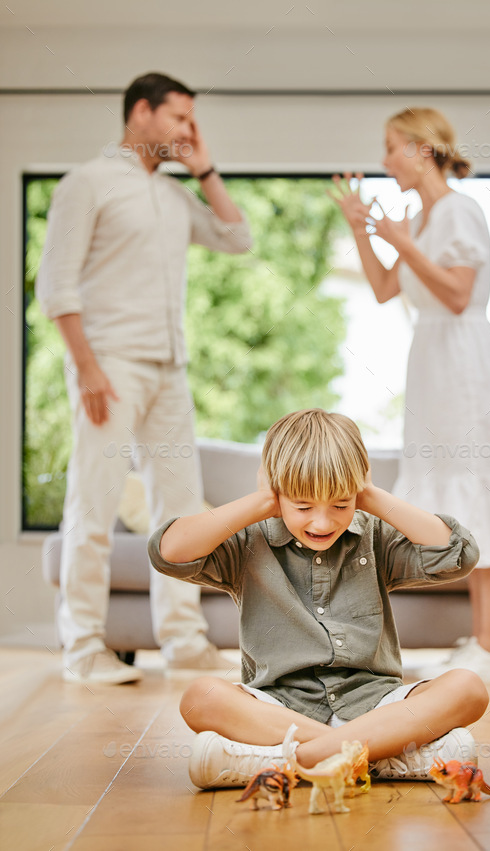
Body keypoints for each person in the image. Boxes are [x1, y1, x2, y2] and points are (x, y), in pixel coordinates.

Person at [36, 72, 252, 684]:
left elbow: (238, 238)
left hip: (170, 370)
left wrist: (205, 168)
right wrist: (87, 370)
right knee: (94, 502)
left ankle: (182, 640)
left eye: (191, 120)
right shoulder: (88, 183)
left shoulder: (176, 197)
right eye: (178, 117)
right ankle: (82, 647)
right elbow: (56, 284)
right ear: (139, 113)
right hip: (111, 366)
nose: (186, 129)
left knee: (180, 509)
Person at [148, 408, 488, 789]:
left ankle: (290, 760)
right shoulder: (250, 542)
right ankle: (381, 757)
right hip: (278, 710)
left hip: (375, 707)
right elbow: (169, 552)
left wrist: (371, 497)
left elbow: (458, 554)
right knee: (200, 697)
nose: (322, 523)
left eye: (340, 505)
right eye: (303, 507)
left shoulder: (375, 536)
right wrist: (262, 502)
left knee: (467, 687)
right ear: (277, 494)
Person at [330, 107, 490, 684]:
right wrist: (361, 229)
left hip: (470, 366)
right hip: (434, 369)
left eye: (391, 147)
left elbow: (457, 293)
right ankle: (485, 640)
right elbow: (383, 288)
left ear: (423, 150)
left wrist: (401, 239)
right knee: (456, 492)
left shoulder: (458, 209)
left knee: (485, 485)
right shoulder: (418, 219)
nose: (384, 159)